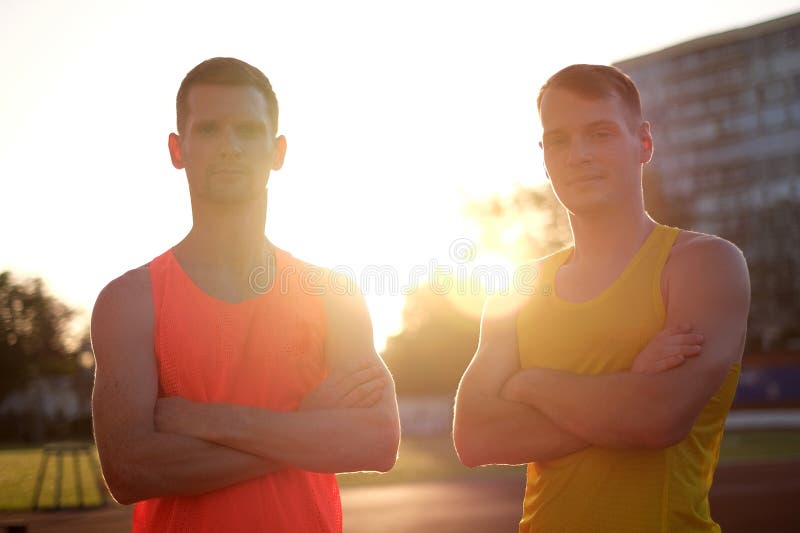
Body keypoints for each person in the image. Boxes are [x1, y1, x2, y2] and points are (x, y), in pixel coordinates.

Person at [91, 57, 400, 533]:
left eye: (249, 131)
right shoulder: (130, 301)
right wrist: (305, 425)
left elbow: (377, 440)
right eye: (210, 129)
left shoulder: (333, 294)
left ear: (278, 151)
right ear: (178, 149)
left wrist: (205, 422)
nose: (231, 146)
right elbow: (129, 470)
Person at [453, 64, 750, 532]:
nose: (579, 155)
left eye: (601, 133)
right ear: (544, 155)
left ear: (644, 143)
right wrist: (629, 382)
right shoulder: (519, 288)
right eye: (560, 140)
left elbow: (656, 418)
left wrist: (530, 384)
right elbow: (475, 436)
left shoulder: (701, 264)